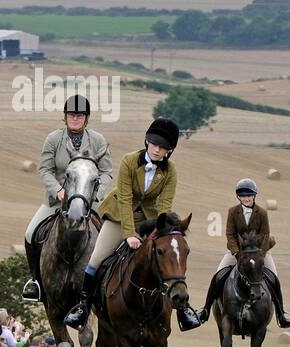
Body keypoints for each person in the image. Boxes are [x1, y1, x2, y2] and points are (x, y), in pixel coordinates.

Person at [64, 117, 200, 332]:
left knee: (172, 256)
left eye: (163, 147)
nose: (157, 150)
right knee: (96, 259)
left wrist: (161, 230)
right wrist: (129, 234)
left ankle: (183, 309)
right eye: (154, 144)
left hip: (151, 219)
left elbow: (164, 205)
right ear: (147, 142)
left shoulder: (170, 170)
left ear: (169, 150)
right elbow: (125, 199)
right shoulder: (129, 161)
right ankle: (82, 306)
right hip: (120, 215)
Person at [21, 94, 113, 303]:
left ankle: (108, 282)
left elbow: (107, 172)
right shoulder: (54, 139)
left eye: (80, 115)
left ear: (86, 118)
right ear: (65, 117)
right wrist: (58, 190)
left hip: (88, 202)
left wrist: (96, 194)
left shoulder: (97, 140)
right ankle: (35, 281)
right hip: (57, 202)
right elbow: (45, 169)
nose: (75, 118)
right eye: (72, 115)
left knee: (112, 238)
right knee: (30, 233)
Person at [199, 178, 290, 328]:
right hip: (238, 252)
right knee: (218, 276)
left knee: (274, 279)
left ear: (254, 196)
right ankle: (205, 310)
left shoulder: (261, 213)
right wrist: (237, 253)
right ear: (238, 197)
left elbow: (266, 235)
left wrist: (259, 254)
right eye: (242, 196)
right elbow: (230, 235)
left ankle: (281, 314)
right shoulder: (232, 212)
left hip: (260, 252)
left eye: (248, 196)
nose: (246, 199)